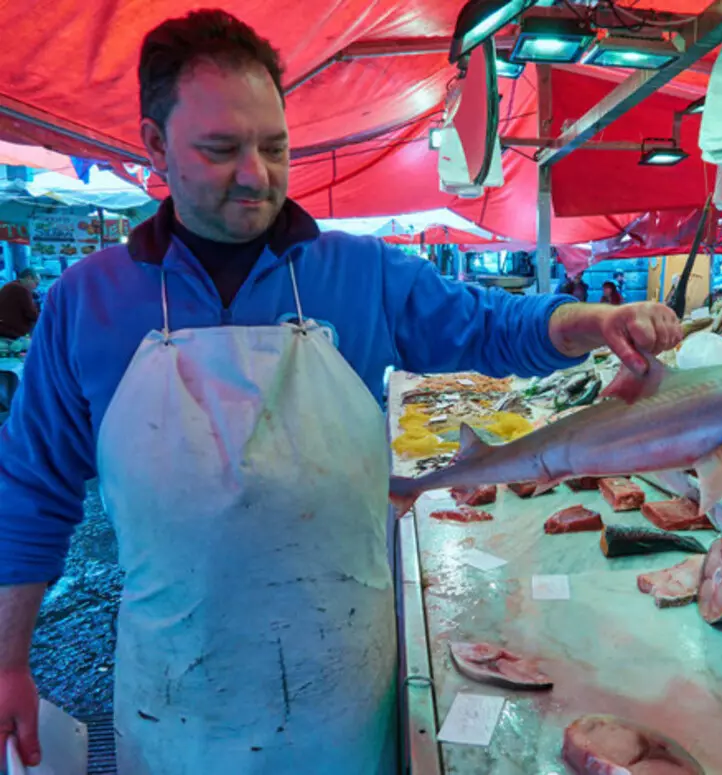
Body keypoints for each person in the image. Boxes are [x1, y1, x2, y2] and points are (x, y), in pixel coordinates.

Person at [0, 11, 682, 775]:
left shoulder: (359, 273)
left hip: (340, 695)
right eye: (222, 150)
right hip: (177, 702)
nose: (256, 173)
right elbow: (30, 492)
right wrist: (7, 663)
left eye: (274, 146)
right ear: (156, 146)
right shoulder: (89, 304)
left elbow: (489, 326)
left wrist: (591, 318)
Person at [0, 268, 40, 341]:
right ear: (29, 278)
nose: (36, 288)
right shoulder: (22, 290)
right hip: (11, 333)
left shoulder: (11, 285)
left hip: (4, 328)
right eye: (36, 284)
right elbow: (32, 314)